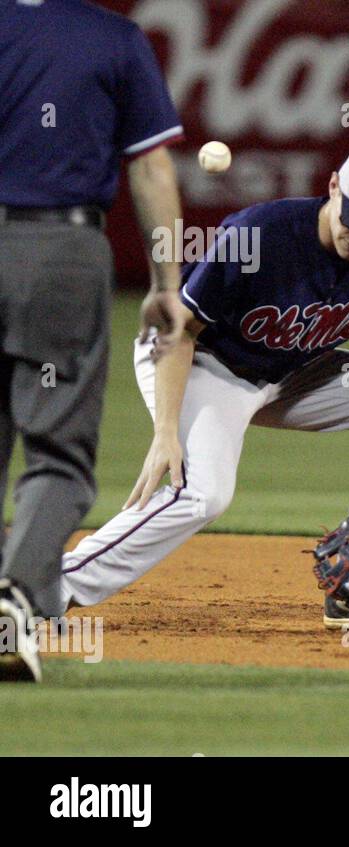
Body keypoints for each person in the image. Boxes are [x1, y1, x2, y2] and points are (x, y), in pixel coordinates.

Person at [55, 143, 349, 635]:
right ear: (333, 186)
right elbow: (181, 331)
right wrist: (166, 430)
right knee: (204, 493)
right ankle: (50, 586)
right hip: (201, 363)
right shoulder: (260, 233)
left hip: (289, 373)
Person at [1, 0, 188, 683]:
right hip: (60, 249)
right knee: (57, 452)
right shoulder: (112, 38)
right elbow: (152, 169)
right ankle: (14, 600)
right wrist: (168, 281)